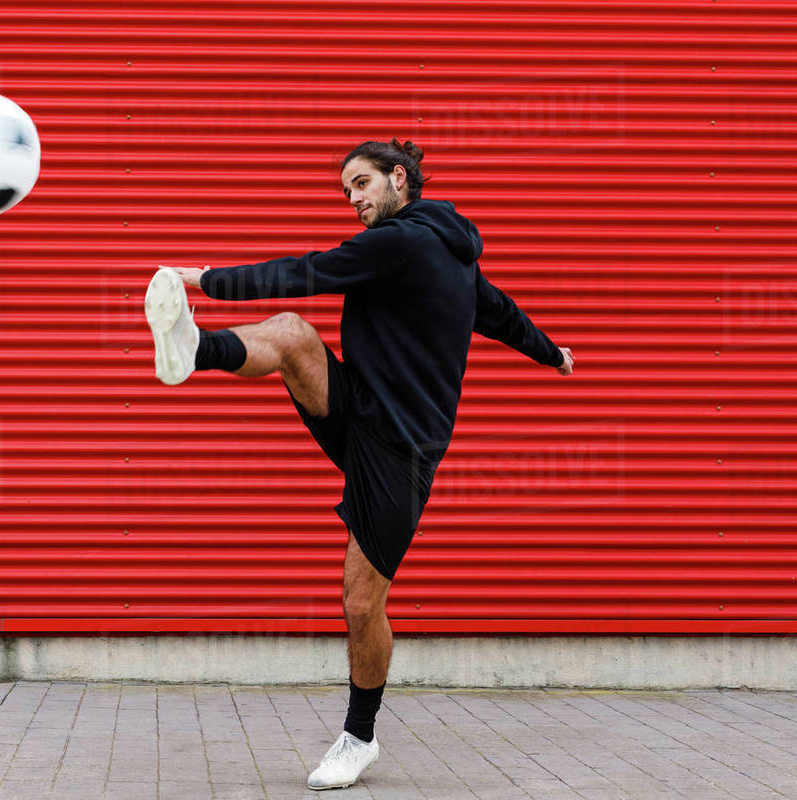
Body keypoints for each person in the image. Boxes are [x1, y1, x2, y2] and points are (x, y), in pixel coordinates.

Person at [144, 137, 575, 791]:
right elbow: (507, 318)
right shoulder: (442, 254)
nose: (352, 199)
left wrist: (204, 278)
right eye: (346, 190)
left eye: (361, 183)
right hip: (358, 408)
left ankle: (360, 736)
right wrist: (551, 352)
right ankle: (194, 347)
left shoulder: (404, 242)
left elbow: (308, 270)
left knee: (361, 601)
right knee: (293, 333)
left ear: (399, 178)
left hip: (401, 450)